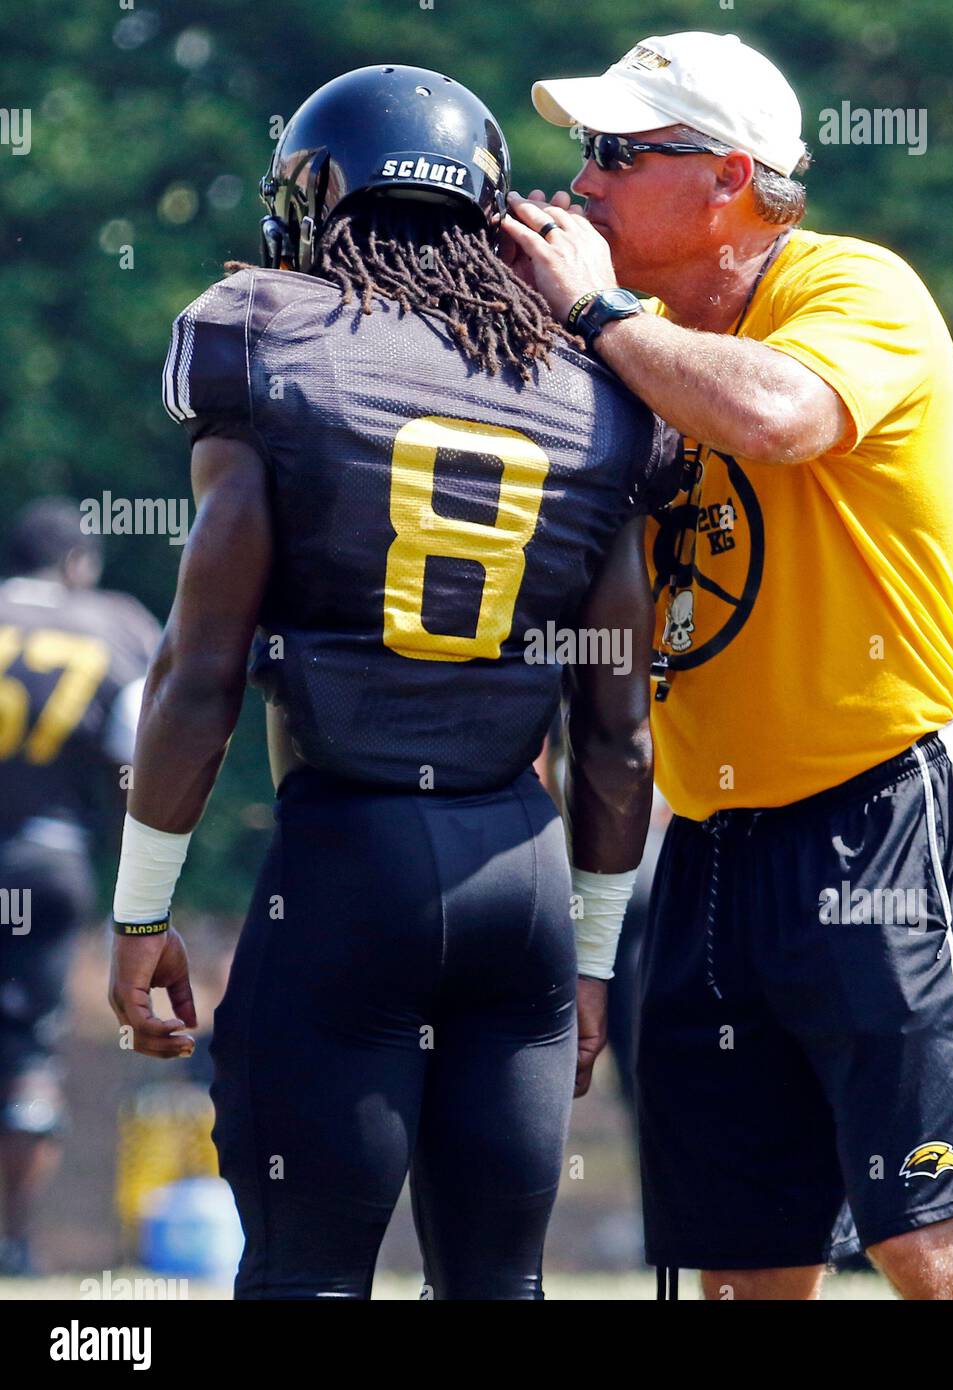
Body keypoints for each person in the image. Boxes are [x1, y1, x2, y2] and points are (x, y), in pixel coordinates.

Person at [107, 65, 675, 1300]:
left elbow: (198, 672)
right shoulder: (606, 399)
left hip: (345, 866)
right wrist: (590, 954)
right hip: (517, 882)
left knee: (306, 1278)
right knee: (497, 1286)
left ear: (319, 204)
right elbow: (619, 736)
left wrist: (142, 912)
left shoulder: (264, 335)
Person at [505, 30, 953, 1300]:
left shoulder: (856, 286)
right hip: (706, 847)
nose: (581, 186)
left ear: (729, 178)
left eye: (618, 155)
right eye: (584, 154)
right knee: (738, 1267)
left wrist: (592, 309)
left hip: (883, 812)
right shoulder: (621, 354)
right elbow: (582, 668)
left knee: (930, 1244)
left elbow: (781, 418)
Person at [0, 499, 158, 1275]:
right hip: (50, 862)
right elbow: (142, 754)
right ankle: (14, 1243)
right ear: (76, 565)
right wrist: (143, 890)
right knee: (28, 1051)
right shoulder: (113, 625)